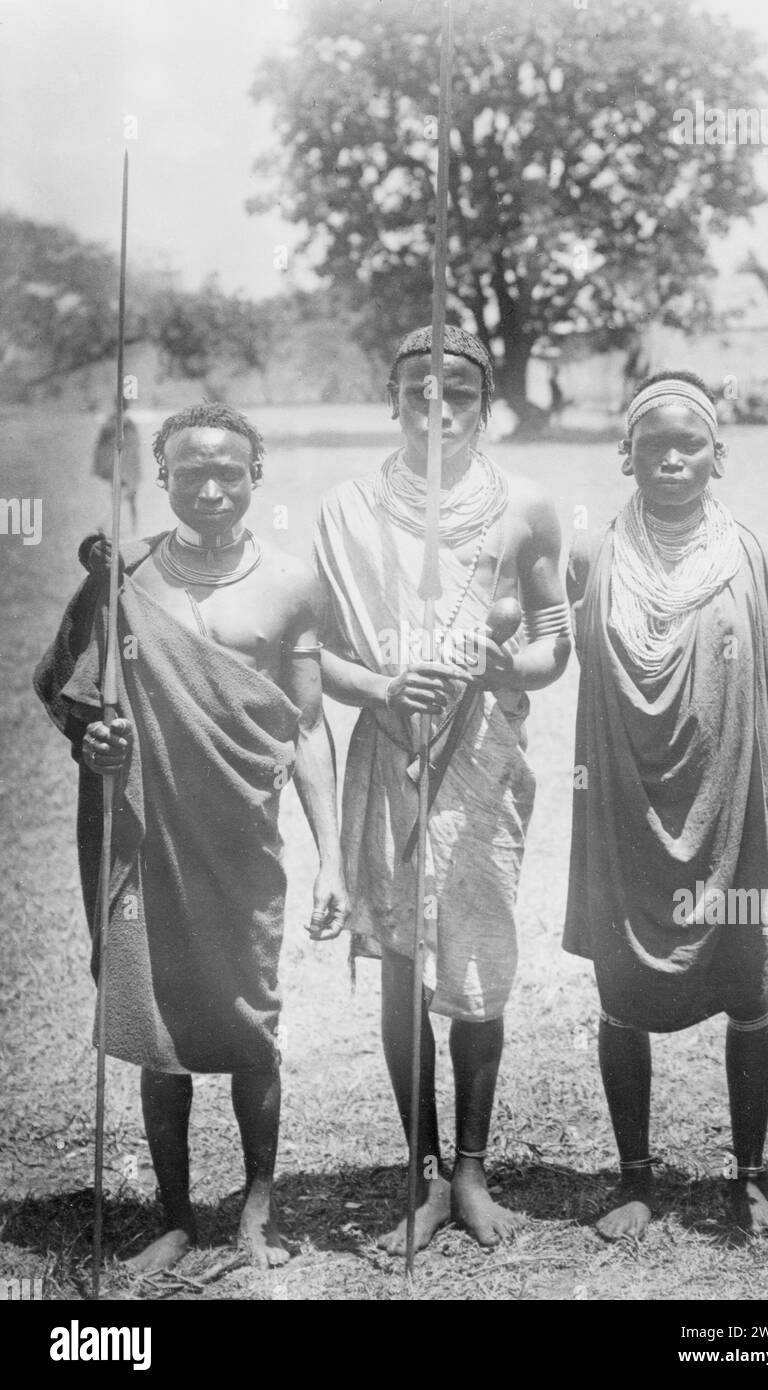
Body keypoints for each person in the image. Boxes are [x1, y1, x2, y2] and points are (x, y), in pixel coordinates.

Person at [36, 402, 349, 1273]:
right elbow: (74, 691)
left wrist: (333, 857)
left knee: (252, 1018)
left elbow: (309, 726)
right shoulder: (123, 576)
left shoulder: (291, 583)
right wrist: (90, 740)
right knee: (157, 1015)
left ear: (256, 478)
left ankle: (257, 1208)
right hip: (145, 830)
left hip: (241, 836)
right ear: (161, 478)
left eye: (229, 471)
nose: (211, 487)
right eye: (190, 471)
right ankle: (173, 1216)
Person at [314, 325, 570, 1254]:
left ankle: (470, 1167)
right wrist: (383, 688)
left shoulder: (527, 508)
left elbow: (553, 635)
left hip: (484, 759)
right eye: (417, 387)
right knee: (401, 960)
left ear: (483, 402)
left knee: (475, 956)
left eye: (456, 389)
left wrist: (514, 666)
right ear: (392, 398)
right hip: (388, 757)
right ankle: (420, 1172)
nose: (436, 404)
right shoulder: (347, 510)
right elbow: (318, 655)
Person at [564, 370, 768, 1239]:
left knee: (747, 980)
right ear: (624, 454)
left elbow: (761, 673)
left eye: (689, 444)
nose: (671, 459)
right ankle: (634, 1180)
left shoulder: (761, 556)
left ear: (718, 455)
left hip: (734, 811)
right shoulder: (589, 558)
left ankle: (747, 1176)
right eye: (653, 444)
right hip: (625, 806)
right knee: (620, 987)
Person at [92, 397, 141, 532]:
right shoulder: (121, 423)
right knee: (125, 497)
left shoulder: (120, 422)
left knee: (123, 497)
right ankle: (130, 527)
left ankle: (131, 528)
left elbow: (134, 446)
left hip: (123, 467)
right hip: (122, 467)